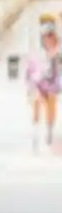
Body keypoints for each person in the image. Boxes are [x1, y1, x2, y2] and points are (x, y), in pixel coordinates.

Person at [26, 15, 62, 151]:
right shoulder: (38, 51)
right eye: (46, 37)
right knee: (36, 103)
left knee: (51, 104)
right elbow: (31, 67)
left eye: (51, 37)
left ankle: (49, 132)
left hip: (52, 82)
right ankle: (36, 134)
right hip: (38, 81)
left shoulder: (58, 50)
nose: (49, 40)